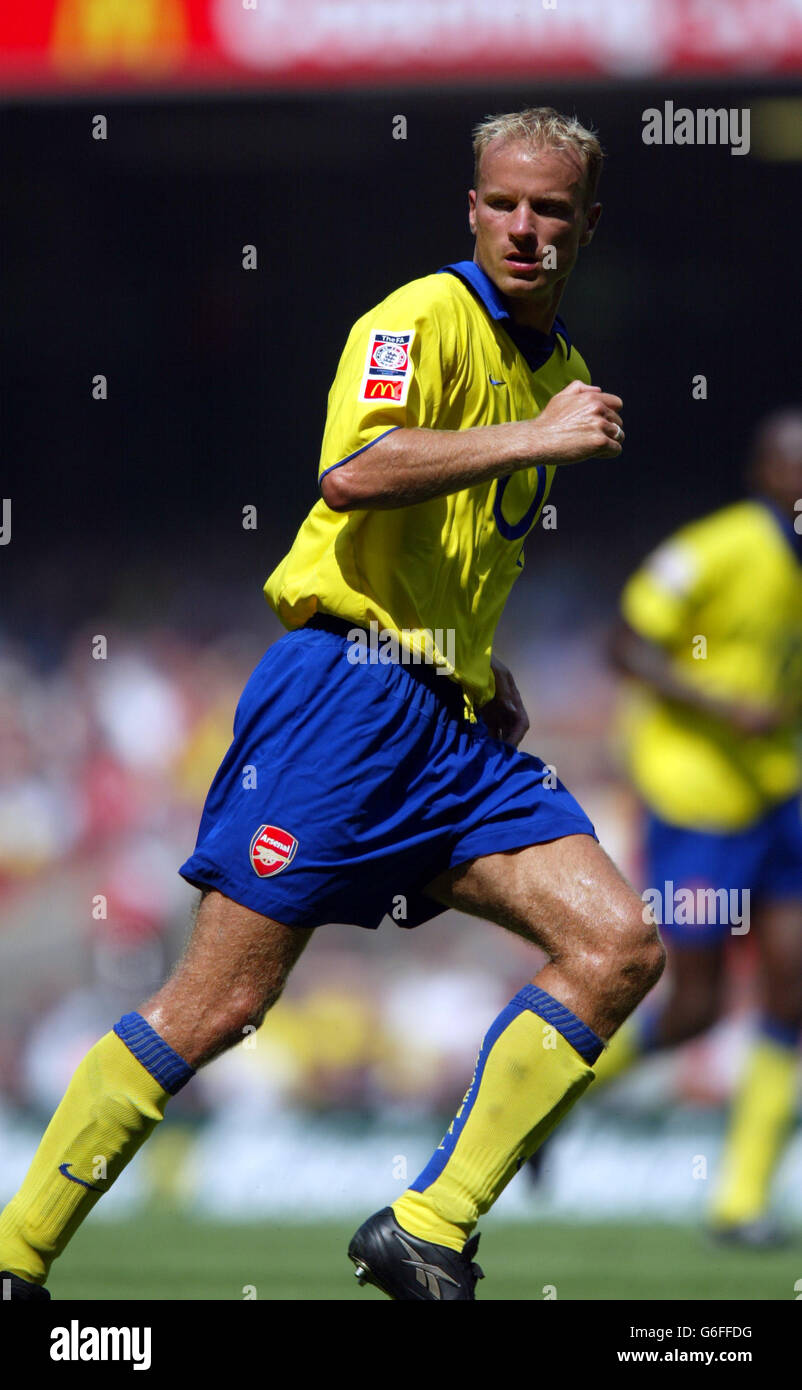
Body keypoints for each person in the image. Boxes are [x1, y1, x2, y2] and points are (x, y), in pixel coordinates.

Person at [0, 106, 664, 1302]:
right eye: (504, 203)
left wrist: (476, 665)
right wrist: (534, 435)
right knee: (220, 1004)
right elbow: (354, 473)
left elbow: (456, 549)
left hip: (450, 725)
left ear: (588, 225)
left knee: (618, 944)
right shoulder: (420, 318)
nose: (525, 227)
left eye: (552, 210)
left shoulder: (560, 371)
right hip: (344, 701)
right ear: (471, 208)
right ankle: (15, 1258)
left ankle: (426, 1225)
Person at [598, 409, 802, 1243]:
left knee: (793, 986)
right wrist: (721, 705)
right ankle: (551, 1104)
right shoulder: (712, 550)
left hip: (780, 794)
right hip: (697, 803)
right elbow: (624, 645)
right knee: (694, 1007)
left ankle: (741, 1202)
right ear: (764, 473)